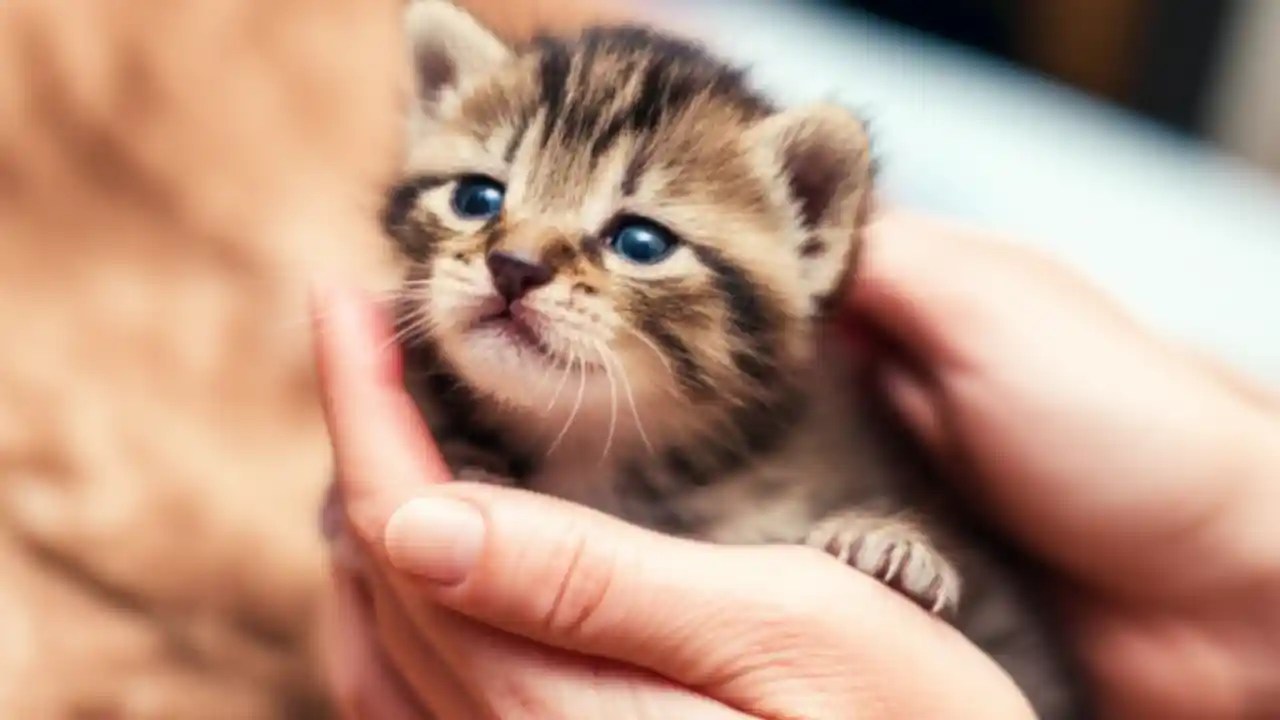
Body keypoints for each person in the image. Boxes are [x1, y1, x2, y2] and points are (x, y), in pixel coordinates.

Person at [312, 211, 1280, 719]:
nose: (514, 253)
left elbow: (1016, 659)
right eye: (481, 196)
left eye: (639, 238)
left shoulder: (824, 451)